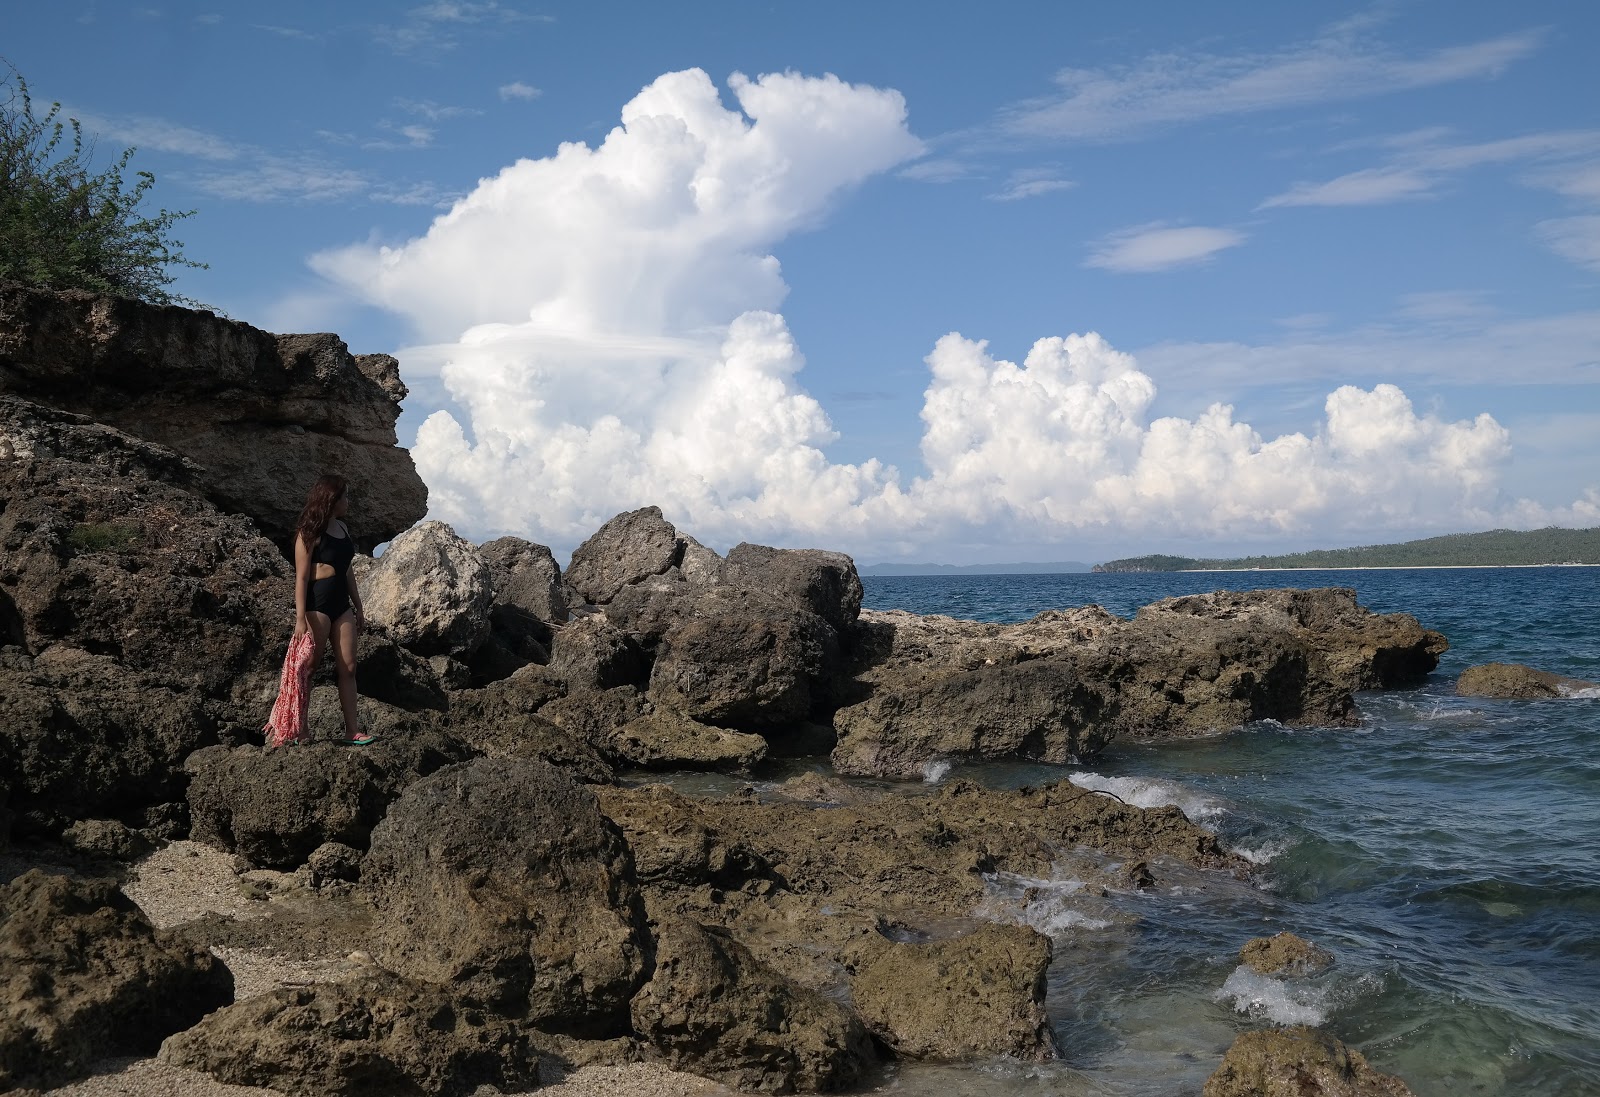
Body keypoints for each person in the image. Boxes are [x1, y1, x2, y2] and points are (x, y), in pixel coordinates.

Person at [288, 473, 371, 744]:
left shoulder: (343, 529)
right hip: (317, 606)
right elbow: (301, 577)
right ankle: (301, 730)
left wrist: (358, 606)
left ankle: (352, 731)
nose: (348, 501)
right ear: (332, 499)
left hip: (341, 605)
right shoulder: (309, 532)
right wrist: (300, 618)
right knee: (308, 668)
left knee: (349, 667)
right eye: (345, 496)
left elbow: (347, 570)